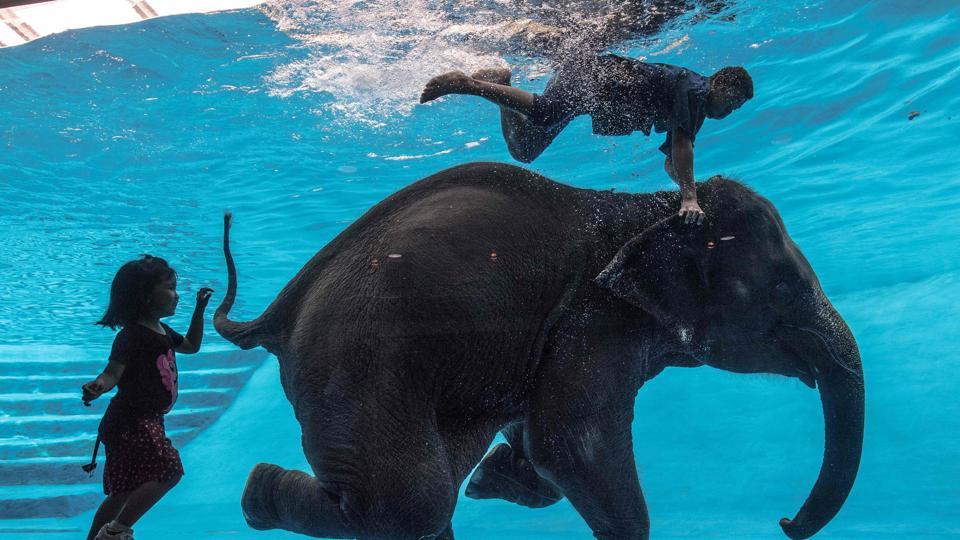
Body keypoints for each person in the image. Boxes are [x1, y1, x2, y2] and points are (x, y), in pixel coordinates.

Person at [420, 54, 753, 224]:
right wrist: (689, 198)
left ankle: (497, 81)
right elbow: (682, 147)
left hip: (589, 93)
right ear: (721, 85)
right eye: (734, 103)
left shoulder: (693, 104)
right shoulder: (695, 92)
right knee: (546, 112)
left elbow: (672, 161)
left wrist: (690, 190)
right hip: (591, 76)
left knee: (524, 149)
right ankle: (466, 84)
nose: (731, 111)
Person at [81, 255, 213, 540]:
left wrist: (199, 311)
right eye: (170, 287)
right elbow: (112, 373)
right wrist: (98, 386)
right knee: (169, 471)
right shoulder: (132, 336)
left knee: (123, 491)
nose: (176, 295)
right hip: (132, 422)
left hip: (141, 421)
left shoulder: (161, 330)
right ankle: (116, 531)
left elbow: (191, 346)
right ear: (145, 296)